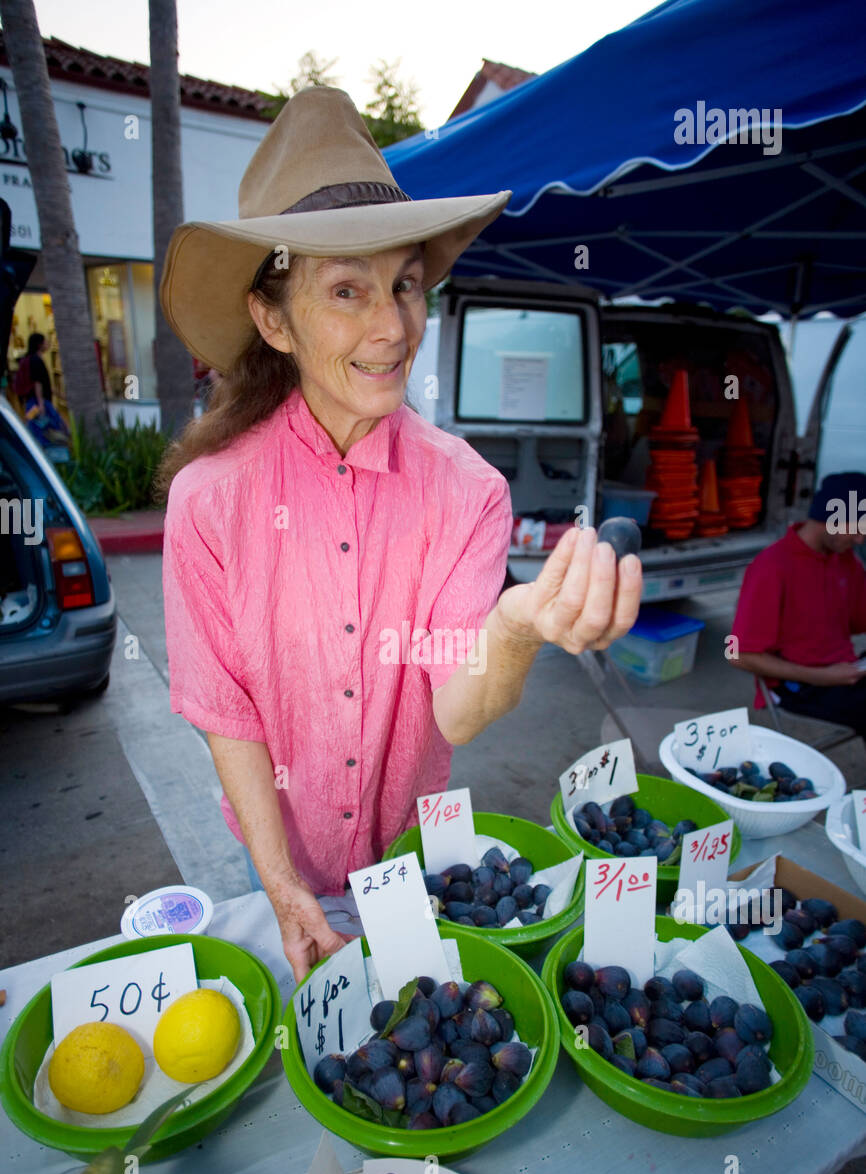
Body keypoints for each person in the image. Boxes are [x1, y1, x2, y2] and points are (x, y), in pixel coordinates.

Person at [158, 87, 643, 982]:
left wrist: (514, 625)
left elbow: (455, 706)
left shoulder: (467, 492)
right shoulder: (208, 503)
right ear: (275, 319)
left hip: (414, 858)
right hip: (267, 852)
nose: (392, 328)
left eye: (406, 285)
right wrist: (278, 885)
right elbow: (228, 719)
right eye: (348, 291)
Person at [729, 470, 866, 739]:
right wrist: (823, 677)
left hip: (845, 671)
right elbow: (737, 653)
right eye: (858, 530)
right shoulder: (773, 566)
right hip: (802, 686)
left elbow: (859, 620)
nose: (860, 540)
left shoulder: (845, 560)